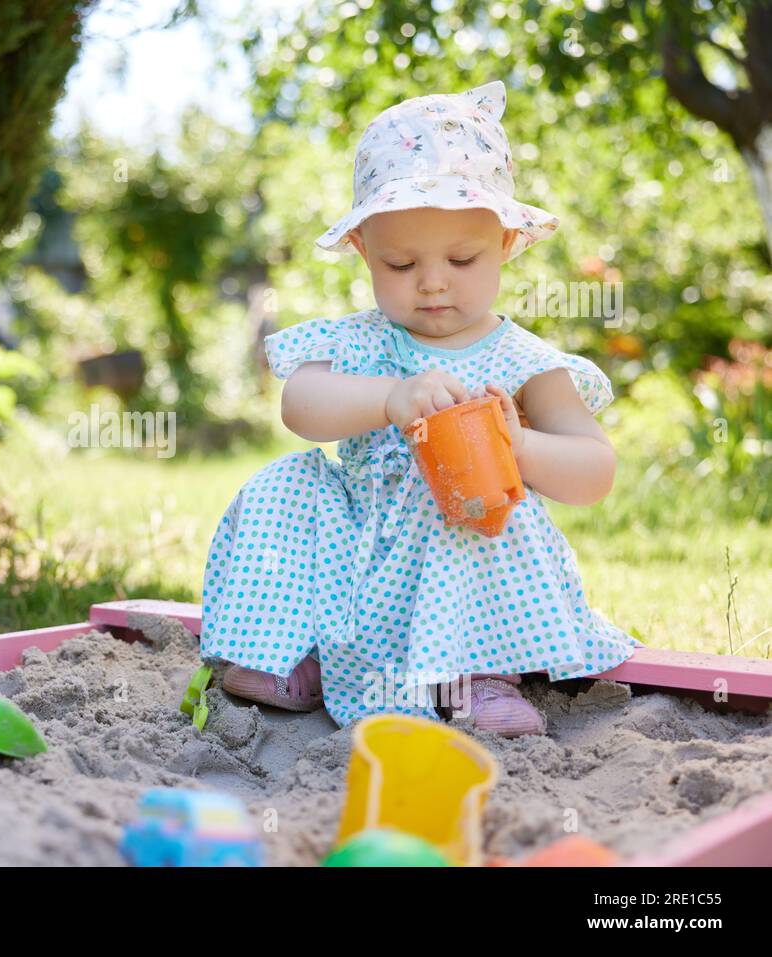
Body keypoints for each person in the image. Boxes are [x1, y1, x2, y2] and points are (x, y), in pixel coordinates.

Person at [199, 81, 640, 737]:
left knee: (470, 506)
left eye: (462, 258)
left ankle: (478, 673)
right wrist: (388, 397)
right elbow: (301, 405)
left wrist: (521, 448)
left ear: (509, 242)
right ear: (363, 251)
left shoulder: (526, 362)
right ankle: (296, 650)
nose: (433, 281)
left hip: (464, 546)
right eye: (401, 263)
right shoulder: (359, 339)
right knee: (287, 482)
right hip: (360, 553)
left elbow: (594, 469)